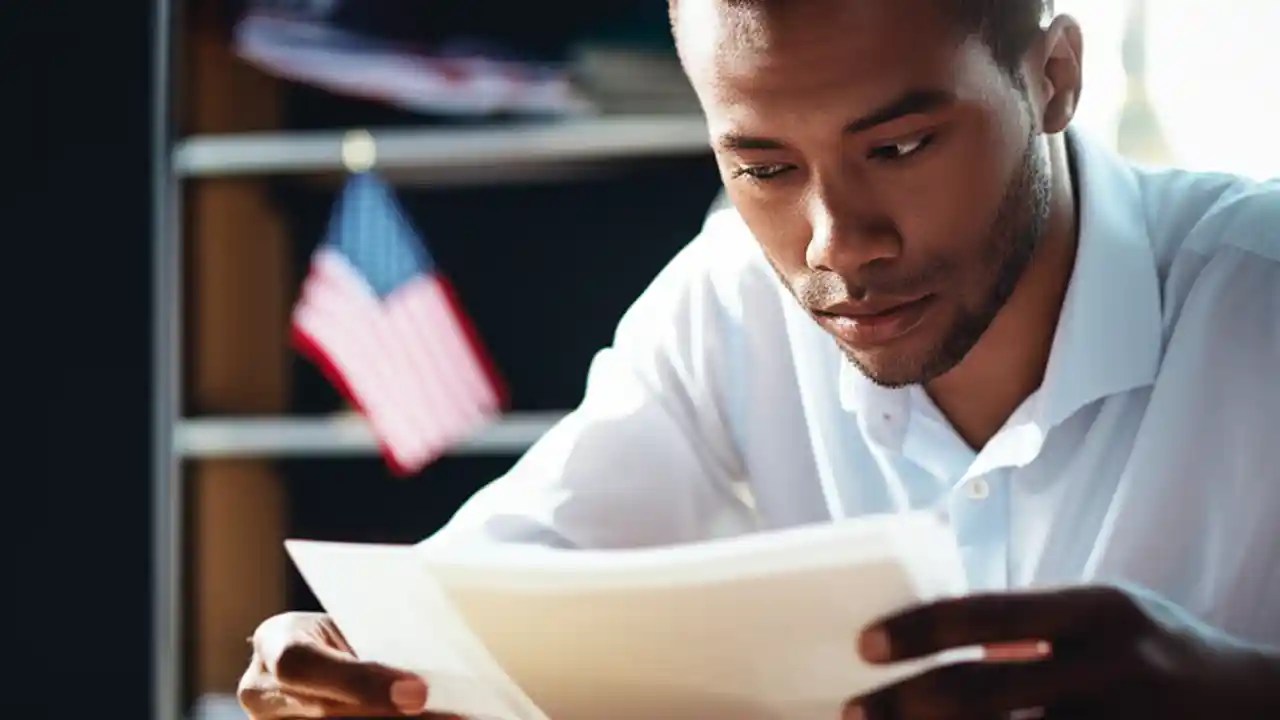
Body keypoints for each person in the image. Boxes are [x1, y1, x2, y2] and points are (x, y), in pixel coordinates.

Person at [238, 0, 1280, 718]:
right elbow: (485, 594)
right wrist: (348, 663)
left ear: (1052, 78)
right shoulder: (730, 295)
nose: (835, 242)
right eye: (764, 167)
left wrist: (1244, 694)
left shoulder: (1258, 296)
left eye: (899, 147)